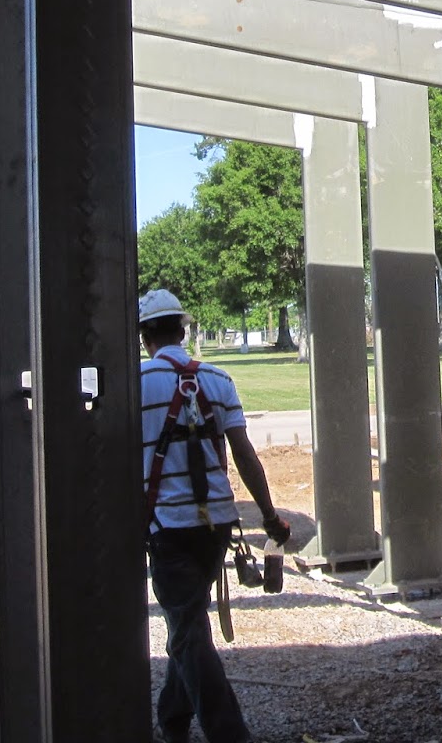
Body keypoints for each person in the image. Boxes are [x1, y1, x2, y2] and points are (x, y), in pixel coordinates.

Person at [139, 289, 291, 743]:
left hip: (166, 527)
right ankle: (172, 720)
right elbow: (244, 454)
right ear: (183, 330)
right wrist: (268, 516)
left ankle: (230, 734)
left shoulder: (138, 385)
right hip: (215, 526)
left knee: (187, 631)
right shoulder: (219, 380)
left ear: (146, 334)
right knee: (187, 625)